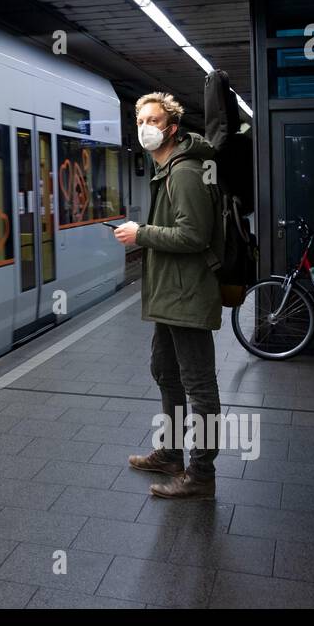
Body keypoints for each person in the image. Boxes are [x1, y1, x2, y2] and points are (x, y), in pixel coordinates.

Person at [115, 92, 225, 499]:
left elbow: (193, 235)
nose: (145, 126)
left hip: (187, 295)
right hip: (169, 295)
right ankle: (170, 453)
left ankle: (201, 474)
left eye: (154, 119)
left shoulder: (184, 172)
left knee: (199, 387)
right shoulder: (166, 170)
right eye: (141, 119)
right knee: (165, 372)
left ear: (172, 127)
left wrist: (139, 234)